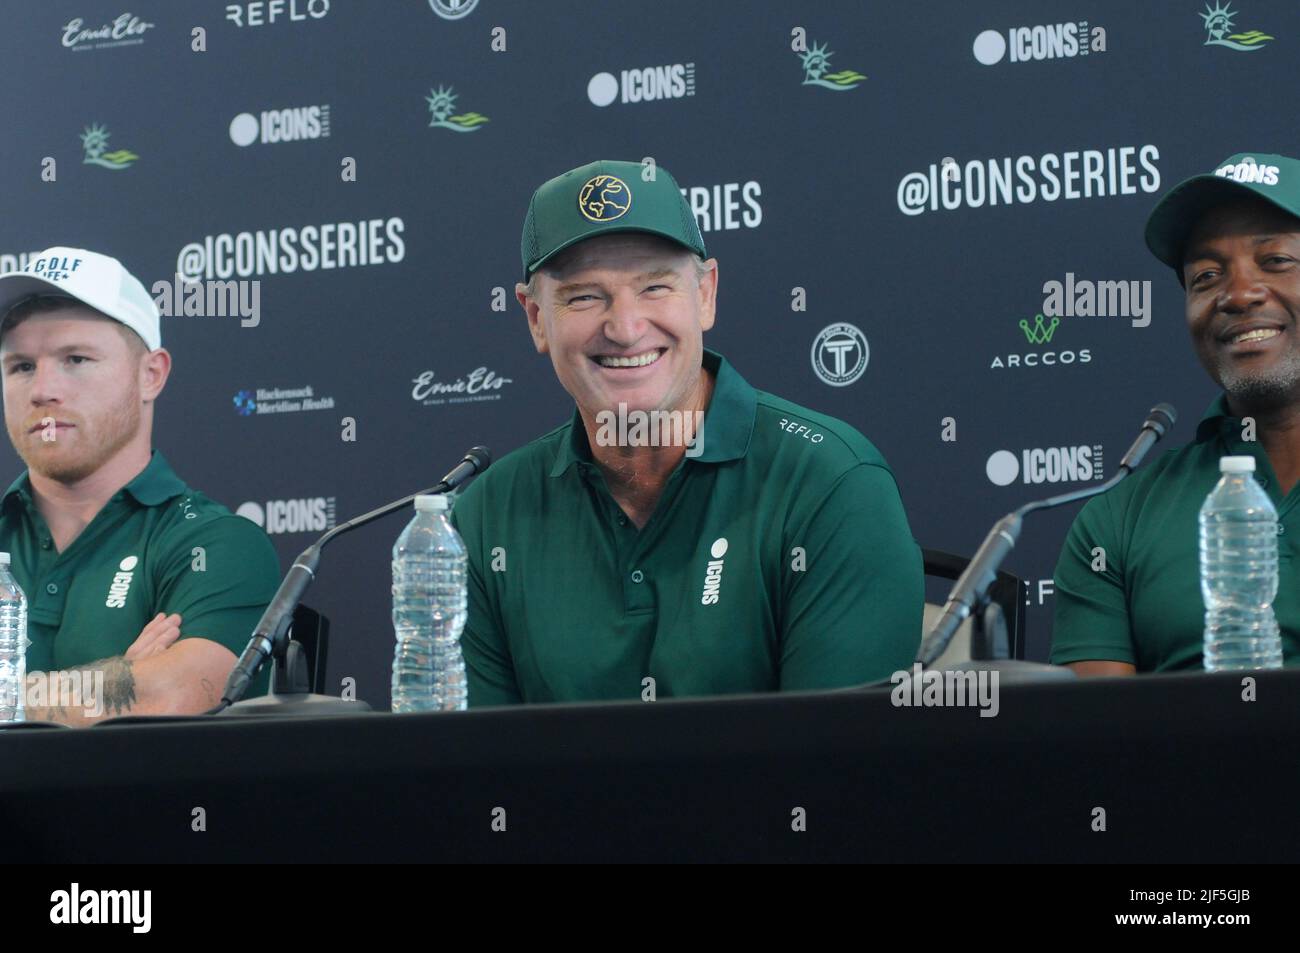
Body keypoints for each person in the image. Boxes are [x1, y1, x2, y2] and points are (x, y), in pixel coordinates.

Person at [449, 159, 923, 705]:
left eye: (655, 286)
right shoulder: (485, 517)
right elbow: (475, 773)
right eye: (584, 296)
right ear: (535, 318)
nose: (625, 328)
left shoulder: (833, 483)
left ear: (705, 295)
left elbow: (839, 767)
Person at [0, 247, 279, 724]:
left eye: (76, 359)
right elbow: (138, 693)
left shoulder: (216, 543)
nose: (43, 389)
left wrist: (14, 698)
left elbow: (173, 694)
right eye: (21, 366)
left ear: (151, 375)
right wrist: (118, 677)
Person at [1052, 152, 1300, 673]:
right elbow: (1095, 745)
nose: (1239, 294)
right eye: (1207, 276)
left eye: (1275, 261)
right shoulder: (1116, 517)